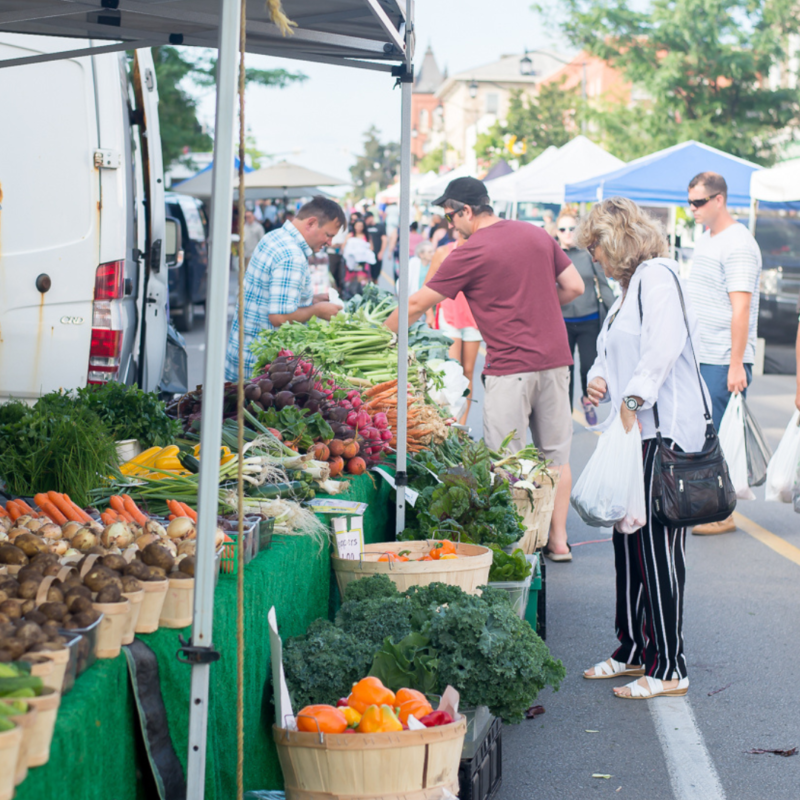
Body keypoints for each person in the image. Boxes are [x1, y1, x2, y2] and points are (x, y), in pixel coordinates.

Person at [384, 177, 585, 561]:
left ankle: (518, 546)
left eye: (449, 216)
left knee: (508, 462)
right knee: (556, 457)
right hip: (556, 362)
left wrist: (382, 333)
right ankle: (558, 543)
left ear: (466, 210)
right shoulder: (537, 234)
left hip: (511, 368)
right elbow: (573, 286)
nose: (448, 225)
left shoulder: (469, 251)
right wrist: (537, 307)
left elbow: (416, 304)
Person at [580, 197, 710, 699]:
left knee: (656, 552)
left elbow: (664, 345)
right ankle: (634, 648)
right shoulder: (625, 292)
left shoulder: (658, 275)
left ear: (618, 238)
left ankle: (670, 665)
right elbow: (610, 353)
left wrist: (632, 398)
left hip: (667, 434)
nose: (593, 256)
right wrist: (597, 381)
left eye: (596, 245)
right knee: (628, 544)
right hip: (636, 434)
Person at [687, 171, 762, 535]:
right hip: (704, 353)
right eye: (689, 203)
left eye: (699, 202)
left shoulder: (739, 244)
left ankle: (723, 513)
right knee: (705, 433)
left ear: (719, 199)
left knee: (719, 435)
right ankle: (712, 506)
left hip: (723, 356)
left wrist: (736, 363)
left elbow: (741, 308)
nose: (693, 209)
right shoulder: (707, 238)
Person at [224, 196, 345, 381]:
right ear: (311, 223)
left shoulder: (275, 236)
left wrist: (311, 299)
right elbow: (279, 317)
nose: (329, 242)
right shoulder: (292, 256)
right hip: (257, 370)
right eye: (328, 235)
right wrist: (318, 310)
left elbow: (271, 295)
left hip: (243, 354)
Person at [557, 209, 616, 425]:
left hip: (589, 319)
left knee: (588, 366)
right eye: (563, 229)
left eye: (572, 228)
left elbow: (604, 284)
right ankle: (565, 416)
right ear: (557, 232)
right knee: (566, 370)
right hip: (562, 322)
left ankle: (586, 400)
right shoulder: (554, 254)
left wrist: (615, 316)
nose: (568, 233)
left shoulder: (588, 254)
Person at [424, 231, 483, 427]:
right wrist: (429, 314)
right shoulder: (444, 251)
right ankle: (449, 421)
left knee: (467, 373)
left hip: (474, 317)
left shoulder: (482, 249)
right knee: (452, 370)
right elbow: (428, 284)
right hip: (449, 314)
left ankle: (461, 426)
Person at [342, 218, 375, 298]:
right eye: (357, 226)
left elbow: (371, 248)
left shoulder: (367, 236)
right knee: (351, 280)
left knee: (363, 279)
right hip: (352, 262)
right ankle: (351, 295)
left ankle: (363, 296)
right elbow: (344, 247)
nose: (359, 228)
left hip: (363, 263)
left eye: (361, 226)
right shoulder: (350, 236)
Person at [364, 211, 387, 283]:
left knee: (376, 276)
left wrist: (382, 252)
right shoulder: (365, 228)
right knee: (368, 275)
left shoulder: (380, 226)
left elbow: (384, 240)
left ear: (372, 217)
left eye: (368, 218)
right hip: (367, 255)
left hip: (377, 254)